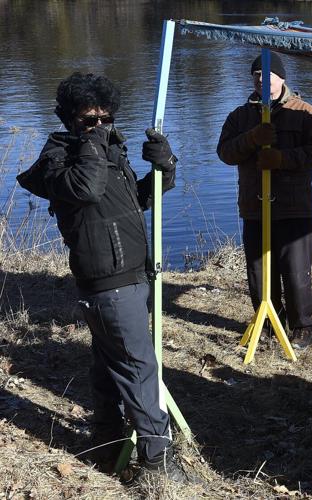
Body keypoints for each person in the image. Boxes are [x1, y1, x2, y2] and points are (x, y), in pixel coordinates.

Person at [16, 72, 184, 480]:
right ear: (69, 119)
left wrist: (164, 167)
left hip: (130, 274)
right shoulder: (58, 159)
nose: (99, 127)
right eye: (89, 120)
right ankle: (159, 466)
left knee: (111, 365)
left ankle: (107, 446)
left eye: (105, 119)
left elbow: (135, 202)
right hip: (105, 281)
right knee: (139, 368)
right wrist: (94, 142)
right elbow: (87, 190)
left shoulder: (108, 151)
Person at [217, 50, 312, 350]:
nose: (261, 81)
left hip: (293, 208)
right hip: (255, 206)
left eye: (267, 75)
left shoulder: (305, 112)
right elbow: (225, 152)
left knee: (296, 273)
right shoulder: (240, 116)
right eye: (256, 76)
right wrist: (251, 138)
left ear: (281, 78)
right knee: (258, 271)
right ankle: (267, 323)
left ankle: (302, 327)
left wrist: (281, 158)